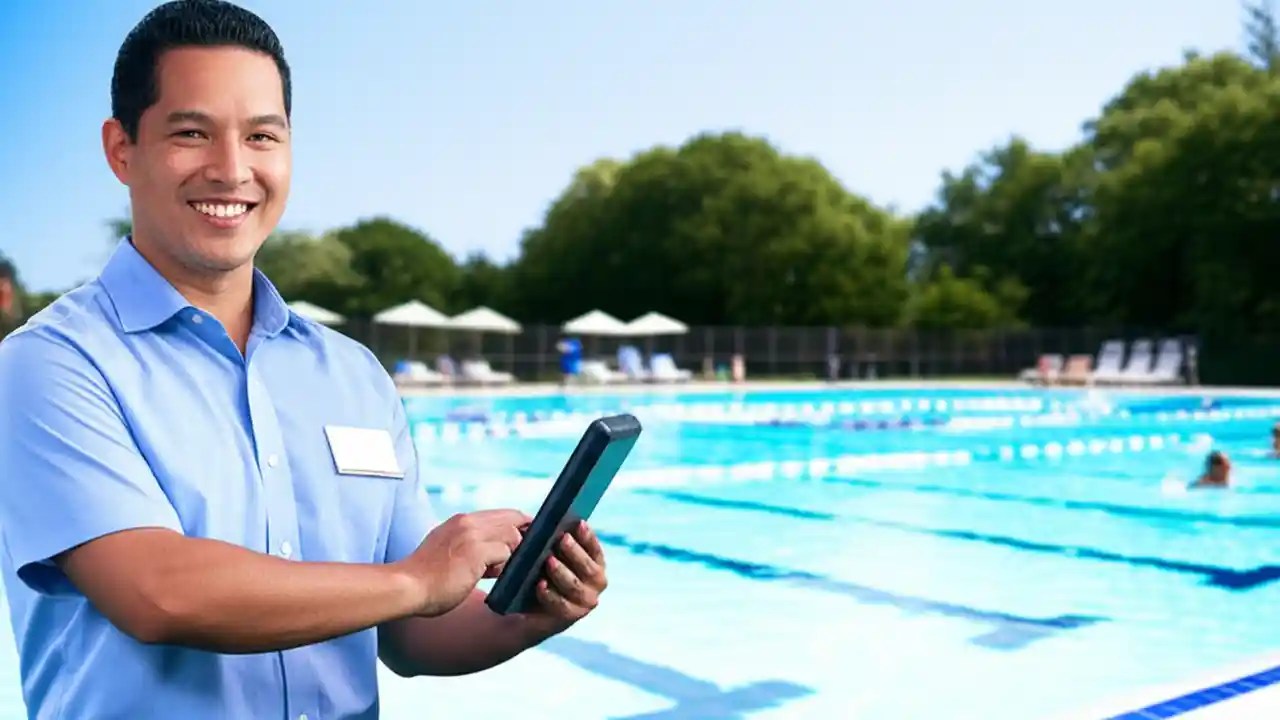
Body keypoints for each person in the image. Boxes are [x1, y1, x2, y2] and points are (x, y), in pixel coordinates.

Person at [0, 2, 609, 718]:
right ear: (121, 149)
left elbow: (412, 635)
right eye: (192, 133)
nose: (232, 170)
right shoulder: (49, 365)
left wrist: (530, 614)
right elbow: (158, 592)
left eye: (262, 136)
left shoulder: (352, 375)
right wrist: (415, 580)